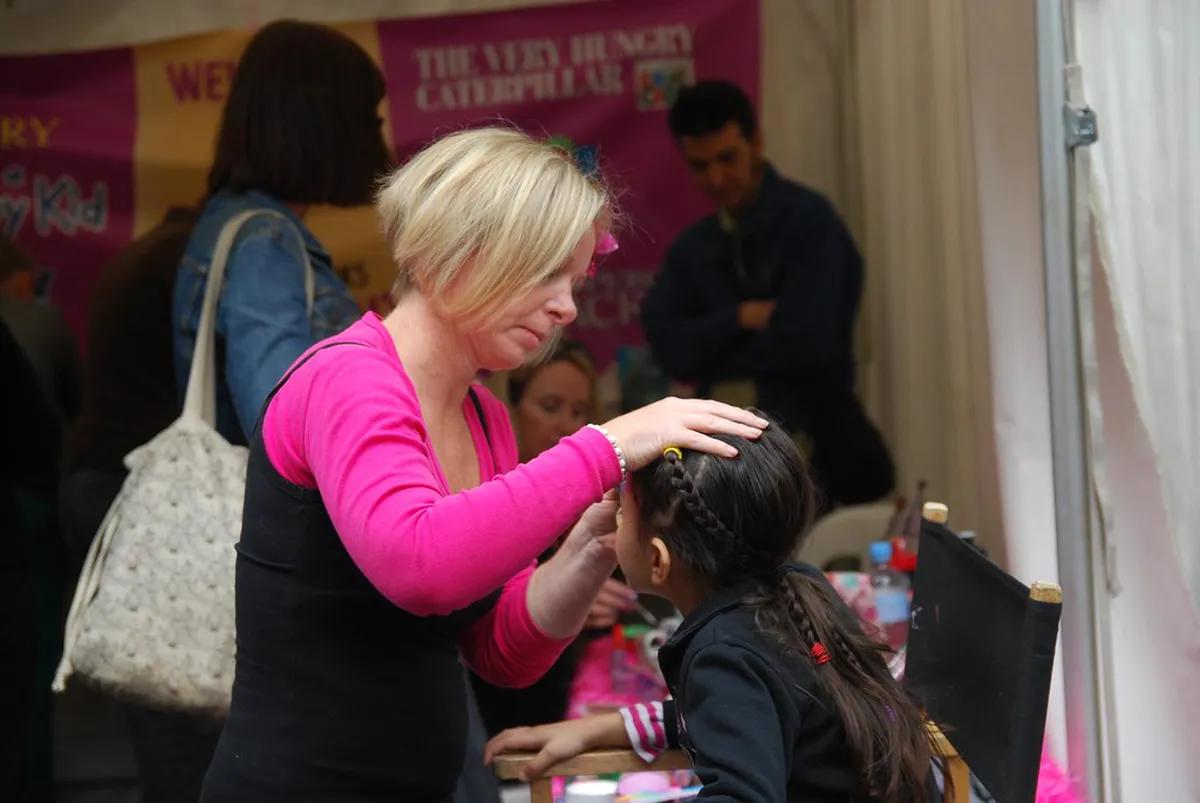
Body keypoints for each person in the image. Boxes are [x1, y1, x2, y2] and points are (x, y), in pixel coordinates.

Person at [197, 126, 768, 802]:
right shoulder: (349, 380)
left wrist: (590, 545)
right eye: (546, 272)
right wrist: (605, 445)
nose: (567, 306)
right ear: (458, 253)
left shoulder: (484, 418)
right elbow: (421, 565)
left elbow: (500, 649)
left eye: (575, 279)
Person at [484, 418, 938, 802]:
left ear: (658, 560)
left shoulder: (725, 654)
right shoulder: (796, 588)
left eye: (620, 511)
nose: (610, 519)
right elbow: (735, 715)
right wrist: (598, 730)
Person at [641, 80, 893, 506]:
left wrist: (712, 350)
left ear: (756, 141)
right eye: (701, 166)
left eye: (727, 158)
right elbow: (667, 348)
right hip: (723, 465)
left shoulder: (811, 223)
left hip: (819, 452)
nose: (717, 178)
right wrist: (739, 319)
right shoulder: (693, 246)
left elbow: (810, 344)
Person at [57, 206, 213, 803]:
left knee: (162, 693)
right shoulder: (194, 259)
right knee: (176, 698)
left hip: (104, 479)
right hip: (142, 490)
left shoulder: (139, 257)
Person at [173, 19, 389, 445]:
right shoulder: (265, 243)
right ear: (325, 125)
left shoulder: (236, 222)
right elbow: (280, 427)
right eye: (368, 116)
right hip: (278, 508)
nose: (378, 134)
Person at [471, 340, 638, 738]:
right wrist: (560, 596)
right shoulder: (486, 503)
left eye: (579, 412)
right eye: (549, 407)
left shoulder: (602, 506)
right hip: (508, 722)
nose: (566, 424)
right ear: (510, 411)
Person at [0, 235, 82, 425]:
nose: (33, 297)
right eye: (32, 287)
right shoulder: (42, 320)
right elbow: (76, 403)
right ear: (20, 279)